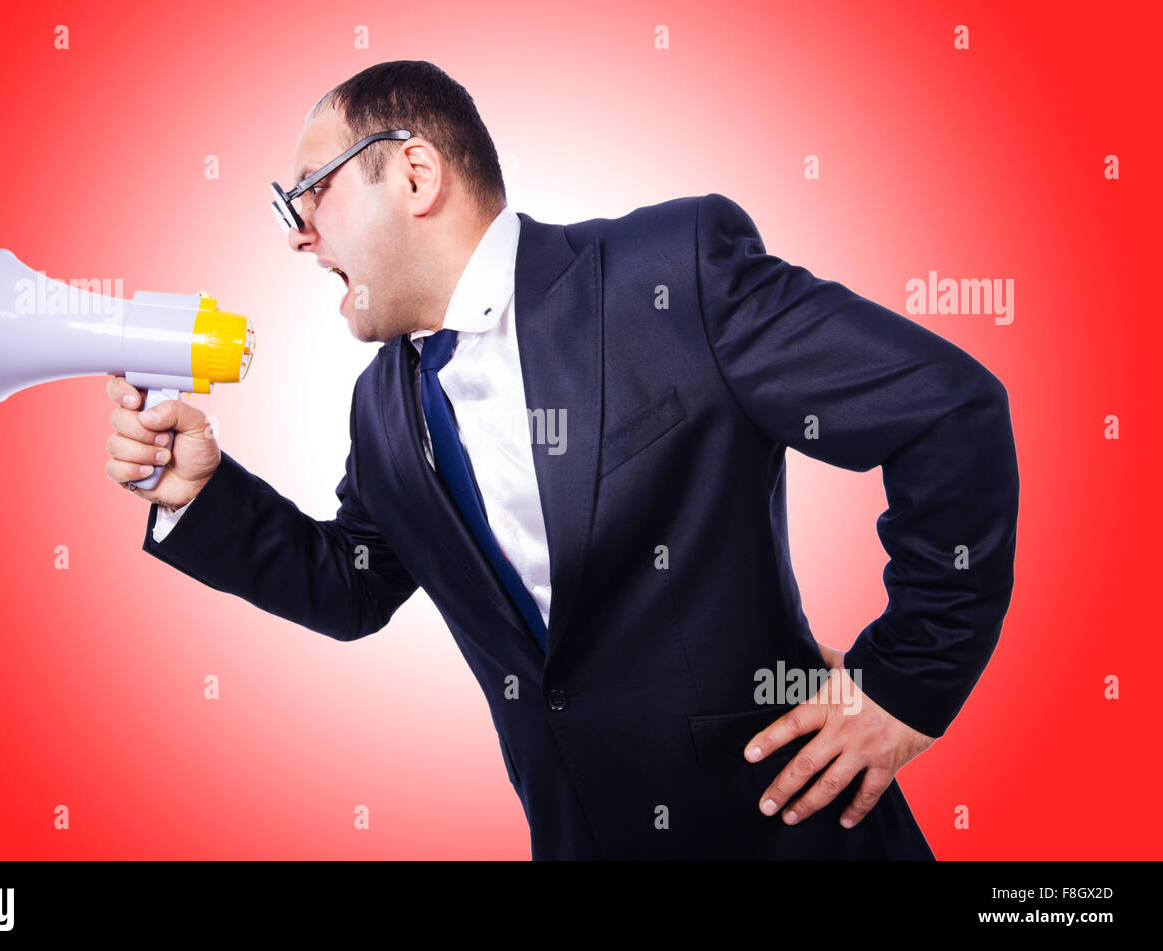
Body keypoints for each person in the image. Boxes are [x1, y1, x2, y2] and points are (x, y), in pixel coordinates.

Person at [104, 60, 1019, 860]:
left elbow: (945, 413)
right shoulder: (380, 408)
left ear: (415, 172)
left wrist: (906, 684)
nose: (297, 232)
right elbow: (350, 586)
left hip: (790, 834)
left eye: (311, 191)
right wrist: (199, 493)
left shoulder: (671, 275)